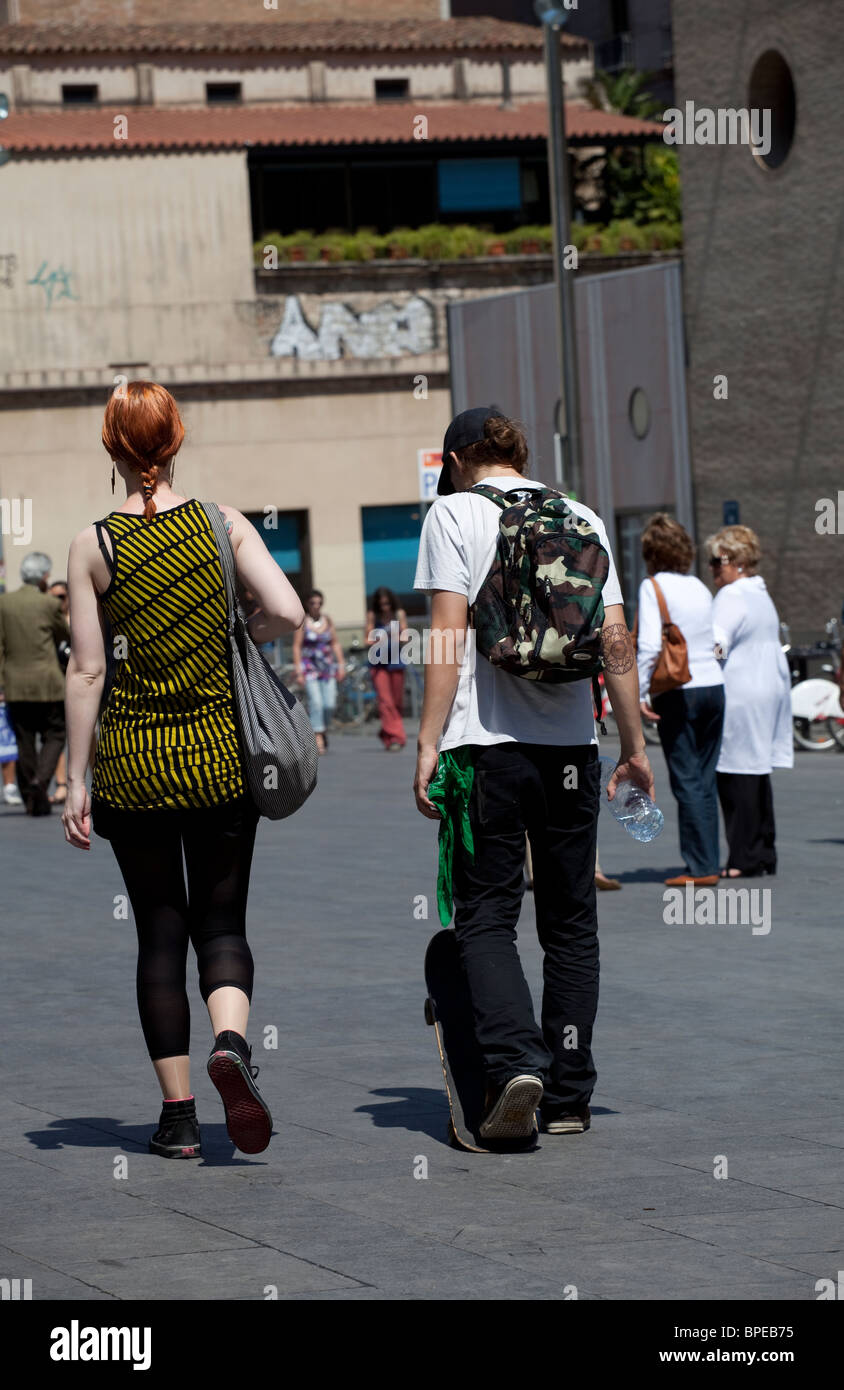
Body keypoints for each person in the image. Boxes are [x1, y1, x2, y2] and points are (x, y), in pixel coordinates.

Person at [62, 380, 305, 1160]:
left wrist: (76, 776)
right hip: (219, 762)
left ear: (112, 447)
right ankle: (231, 1041)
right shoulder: (221, 525)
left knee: (160, 936)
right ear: (176, 442)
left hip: (135, 770)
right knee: (223, 922)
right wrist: (243, 628)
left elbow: (89, 672)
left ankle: (177, 1118)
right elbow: (290, 613)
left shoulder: (94, 545)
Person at [413, 406, 653, 1139]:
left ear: (457, 460)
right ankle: (571, 1094)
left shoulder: (453, 514)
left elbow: (448, 636)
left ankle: (517, 1063)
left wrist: (426, 742)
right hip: (572, 750)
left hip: (485, 748)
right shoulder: (579, 513)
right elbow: (615, 637)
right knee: (571, 922)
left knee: (486, 916)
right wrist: (635, 748)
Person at [636, 514, 724, 887]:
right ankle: (709, 861)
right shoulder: (699, 587)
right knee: (704, 778)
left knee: (686, 780)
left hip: (679, 691)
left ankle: (700, 868)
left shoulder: (652, 587)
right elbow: (719, 641)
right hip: (714, 687)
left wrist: (639, 691)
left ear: (650, 553)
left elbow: (650, 645)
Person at [706, 525, 792, 876]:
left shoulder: (732, 595)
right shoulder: (759, 593)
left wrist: (703, 660)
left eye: (717, 561)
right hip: (768, 685)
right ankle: (764, 852)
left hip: (743, 688)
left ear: (736, 561)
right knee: (756, 771)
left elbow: (718, 641)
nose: (712, 568)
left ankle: (743, 858)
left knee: (735, 771)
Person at [0, 552, 69, 816]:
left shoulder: (5, 603)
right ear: (43, 577)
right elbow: (65, 634)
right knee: (56, 734)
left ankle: (31, 789)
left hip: (16, 685)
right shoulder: (49, 604)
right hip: (48, 683)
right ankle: (41, 780)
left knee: (24, 739)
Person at [293, 588, 345, 754]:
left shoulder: (327, 620)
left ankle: (322, 729)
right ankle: (318, 736)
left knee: (329, 704)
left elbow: (335, 643)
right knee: (316, 703)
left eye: (319, 603)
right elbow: (297, 646)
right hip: (310, 669)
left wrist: (341, 664)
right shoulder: (303, 622)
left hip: (327, 669)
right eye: (313, 603)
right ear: (307, 604)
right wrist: (299, 670)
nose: (316, 606)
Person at [366, 586, 408, 751]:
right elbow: (367, 638)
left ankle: (387, 732)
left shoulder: (399, 614)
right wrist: (379, 639)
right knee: (386, 701)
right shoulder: (373, 616)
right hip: (378, 663)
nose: (385, 607)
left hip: (396, 661)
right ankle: (397, 737)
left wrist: (398, 637)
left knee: (397, 701)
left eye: (388, 603)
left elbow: (404, 635)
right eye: (382, 604)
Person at [48, 579, 70, 804]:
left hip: (79, 688)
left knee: (91, 738)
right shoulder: (49, 622)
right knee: (56, 738)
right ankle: (62, 784)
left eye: (60, 597)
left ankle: (95, 779)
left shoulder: (80, 619)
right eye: (52, 597)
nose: (56, 602)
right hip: (56, 686)